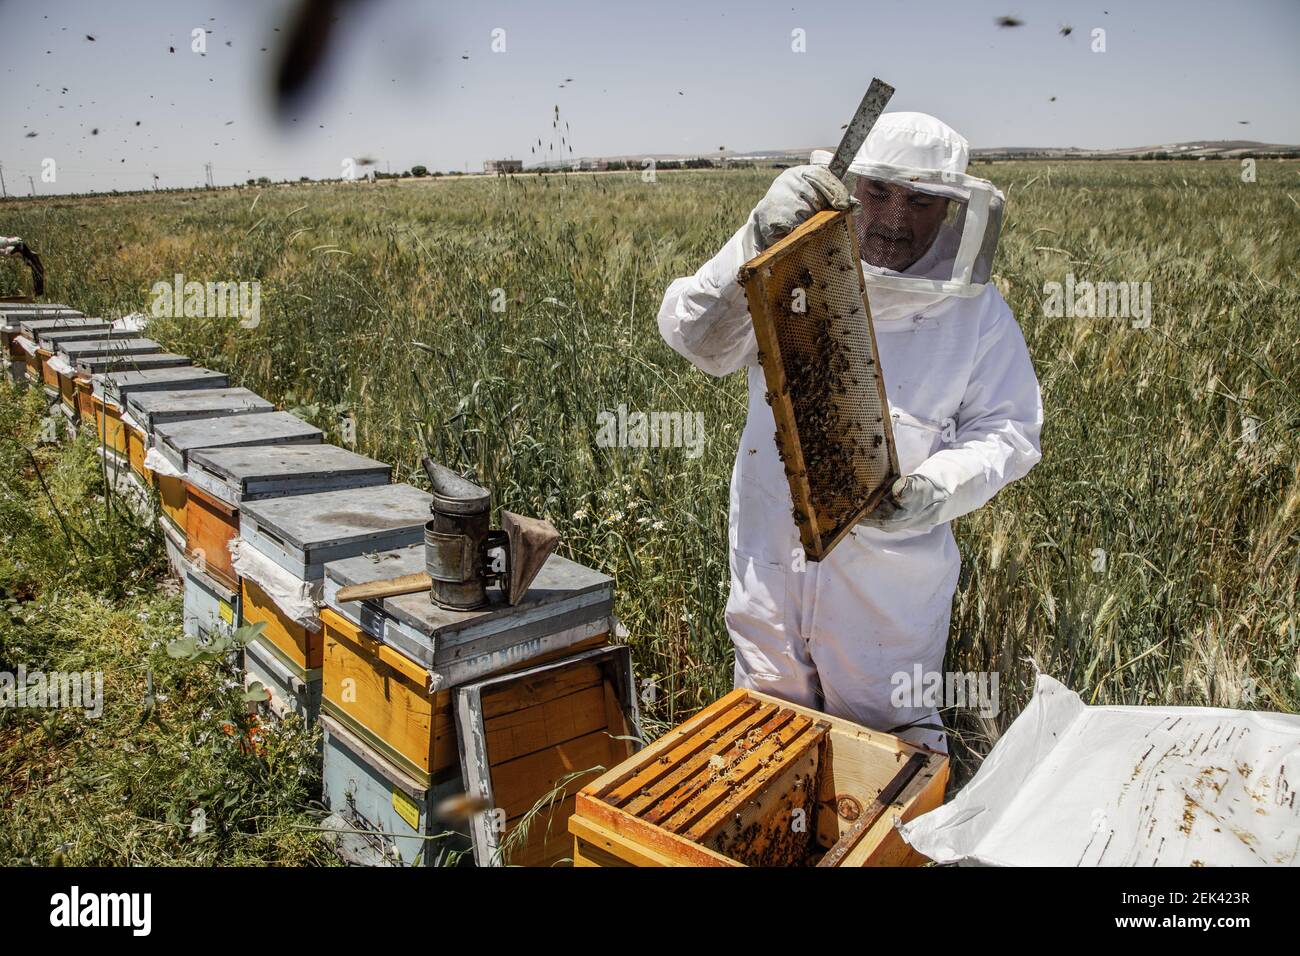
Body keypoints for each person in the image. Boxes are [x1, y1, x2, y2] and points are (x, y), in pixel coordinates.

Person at [656, 112, 1043, 752]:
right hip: (768, 564)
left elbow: (1009, 428)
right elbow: (696, 337)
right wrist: (752, 238)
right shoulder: (790, 266)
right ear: (850, 187)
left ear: (951, 208)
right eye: (879, 192)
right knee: (764, 744)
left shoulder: (976, 311)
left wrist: (934, 489)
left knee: (889, 766)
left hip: (888, 597)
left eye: (921, 200)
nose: (895, 217)